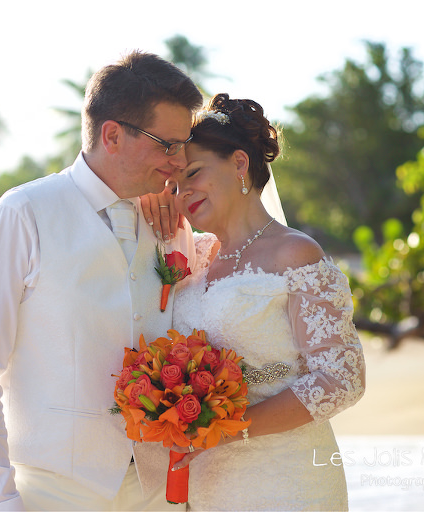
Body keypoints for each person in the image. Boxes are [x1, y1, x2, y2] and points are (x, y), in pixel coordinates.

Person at [0, 51, 203, 511]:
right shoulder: (22, 214)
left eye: (183, 144)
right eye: (167, 144)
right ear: (112, 135)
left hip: (157, 492)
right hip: (51, 492)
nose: (179, 160)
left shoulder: (169, 226)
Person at [144, 93, 366, 510]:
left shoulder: (295, 254)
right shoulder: (191, 259)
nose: (182, 193)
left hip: (286, 479)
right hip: (207, 484)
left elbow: (342, 379)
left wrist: (227, 428)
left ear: (240, 163)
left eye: (193, 173)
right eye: (173, 187)